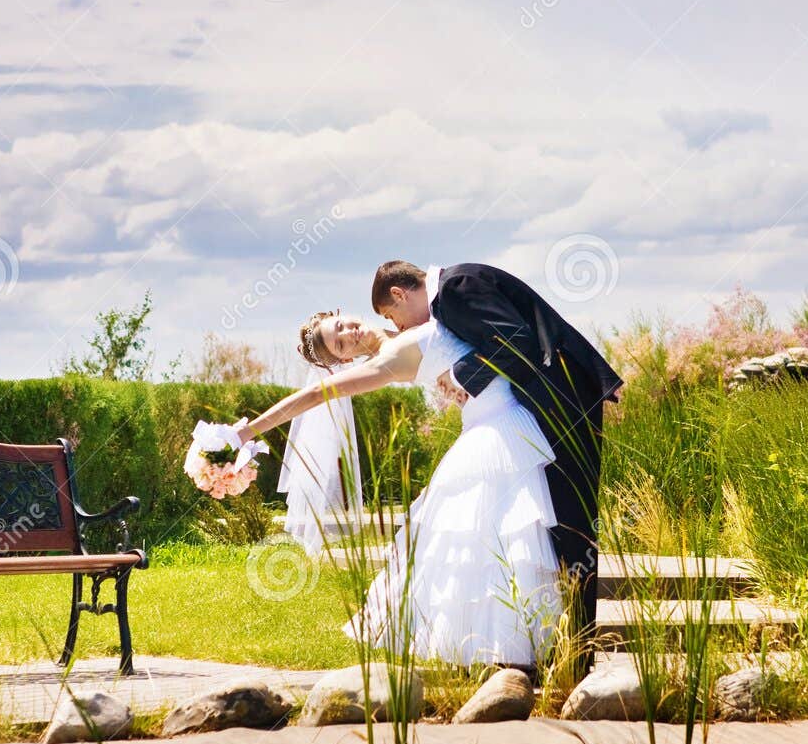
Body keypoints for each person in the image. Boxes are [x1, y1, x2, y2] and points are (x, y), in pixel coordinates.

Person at [233, 305, 562, 670]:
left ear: (343, 313)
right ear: (344, 361)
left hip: (499, 417)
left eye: (340, 325)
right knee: (485, 540)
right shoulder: (384, 361)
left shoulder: (404, 324)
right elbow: (313, 397)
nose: (349, 334)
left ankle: (513, 652)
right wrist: (244, 434)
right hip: (492, 423)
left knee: (494, 535)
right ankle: (508, 654)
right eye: (341, 344)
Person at [372, 261, 623, 680]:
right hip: (554, 400)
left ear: (399, 294)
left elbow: (516, 338)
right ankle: (565, 655)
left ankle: (577, 661)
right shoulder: (455, 287)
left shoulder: (456, 288)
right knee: (562, 522)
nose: (397, 327)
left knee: (573, 522)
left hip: (562, 399)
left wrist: (462, 374)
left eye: (390, 317)